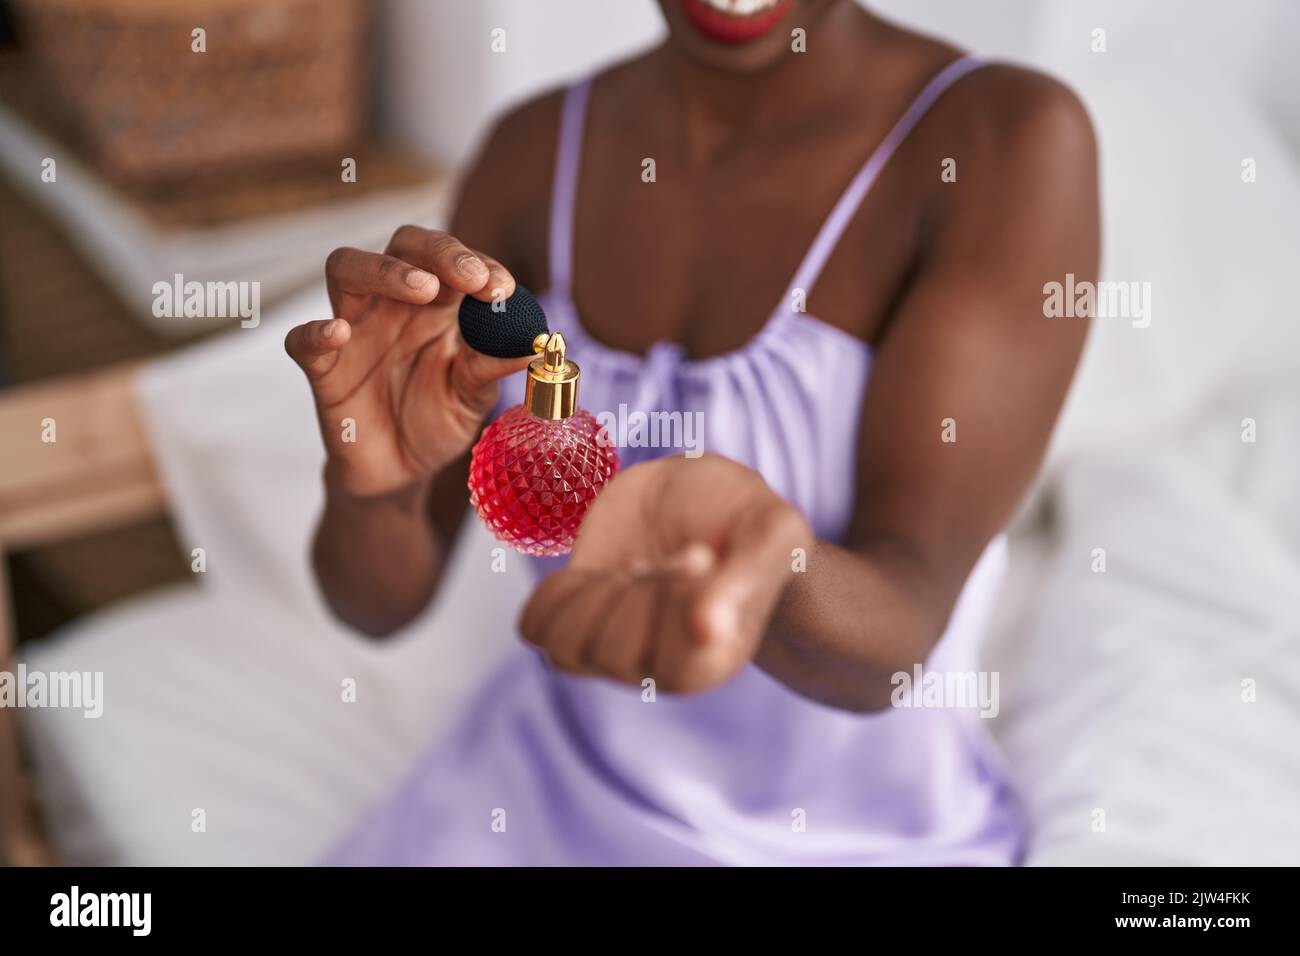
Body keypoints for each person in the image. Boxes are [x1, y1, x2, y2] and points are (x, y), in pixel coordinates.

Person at [285, 0, 1098, 864]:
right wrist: (376, 487)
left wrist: (766, 557)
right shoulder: (530, 154)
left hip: (858, 839)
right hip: (524, 806)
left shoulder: (1000, 140)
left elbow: (891, 650)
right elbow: (376, 604)